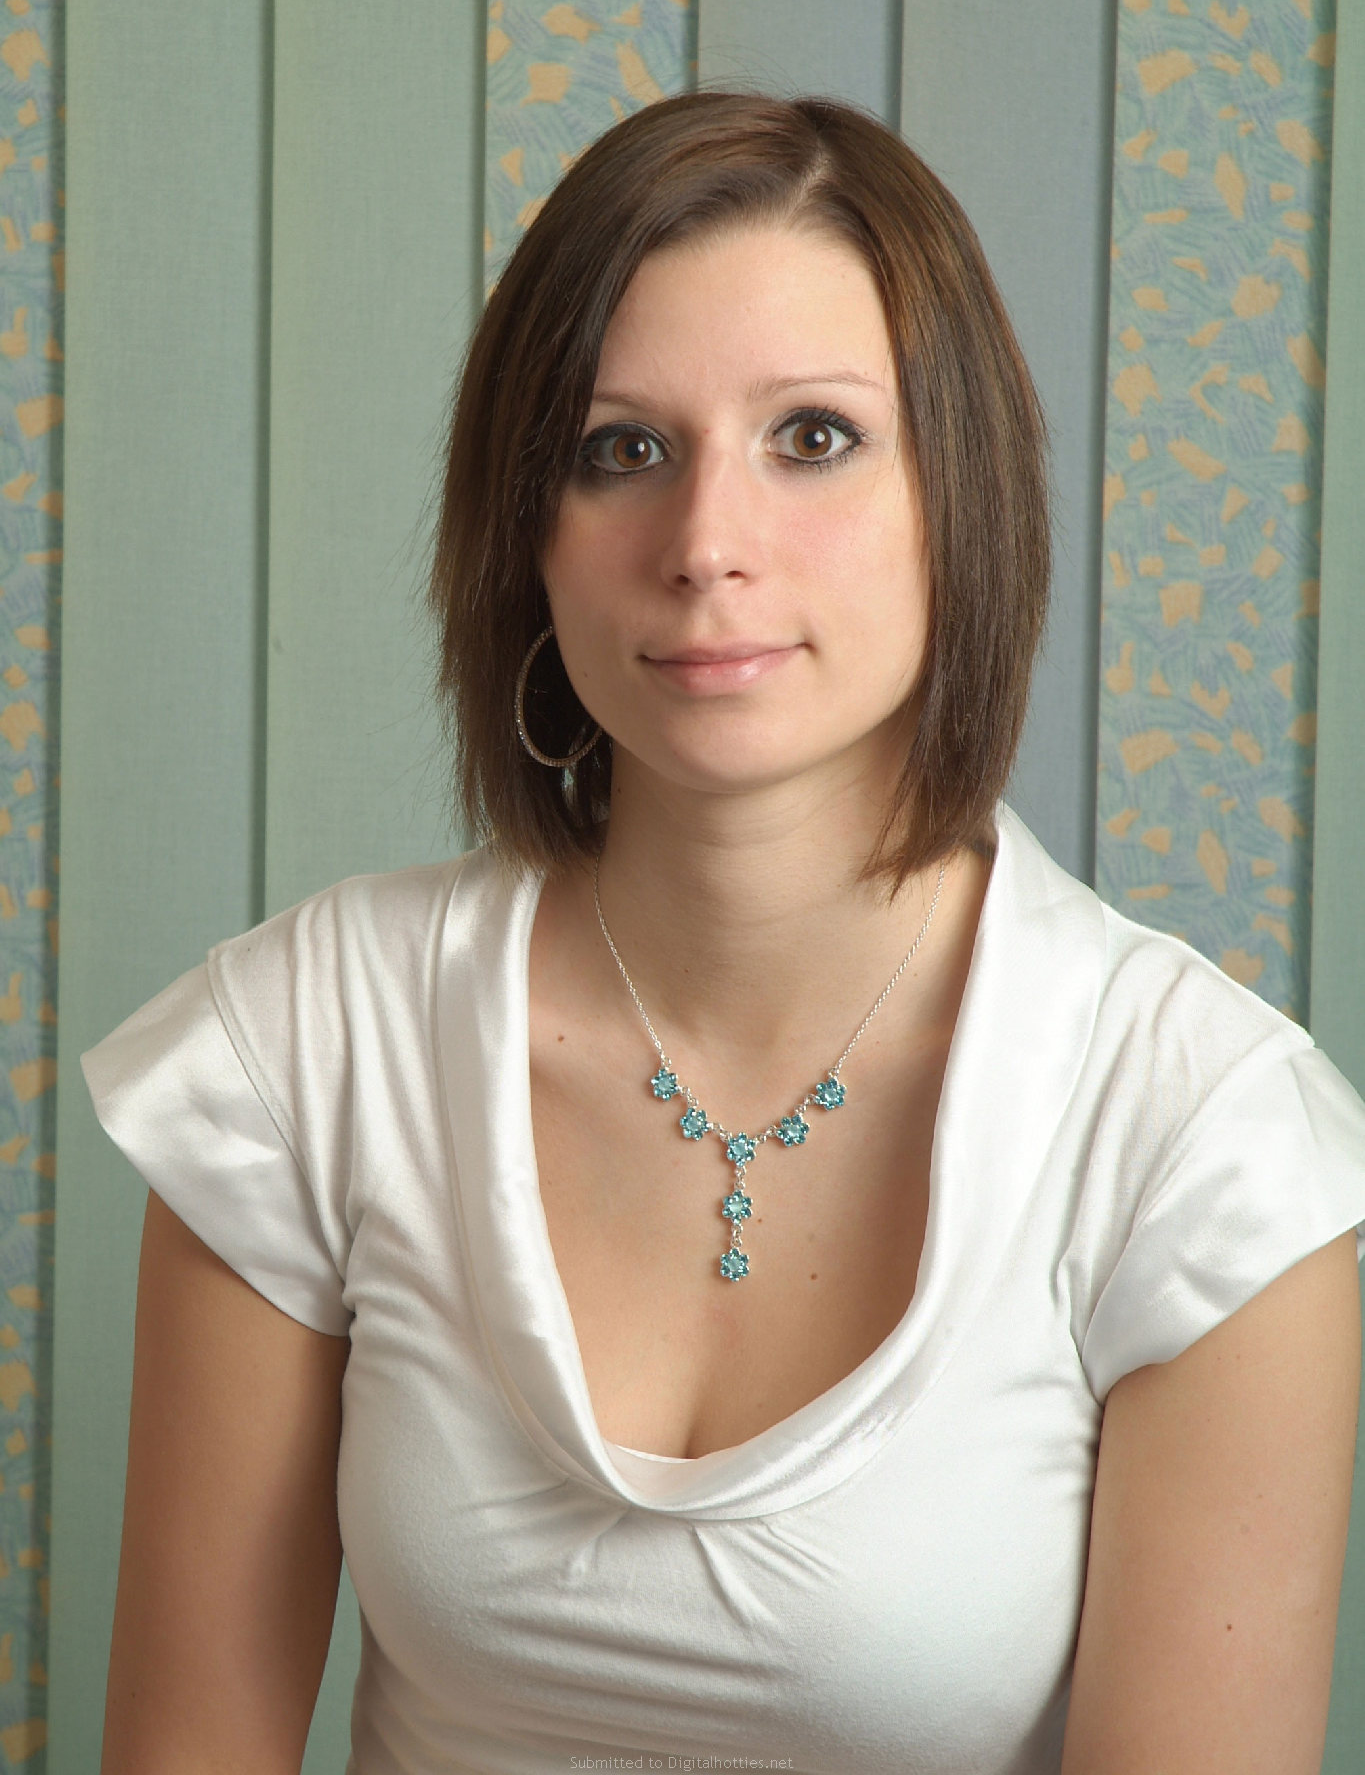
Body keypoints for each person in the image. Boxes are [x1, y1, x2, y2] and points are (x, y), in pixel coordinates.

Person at [86, 92, 1365, 1775]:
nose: (704, 547)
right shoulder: (307, 1050)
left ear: (959, 495)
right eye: (621, 449)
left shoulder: (1202, 1140)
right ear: (527, 533)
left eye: (812, 439)